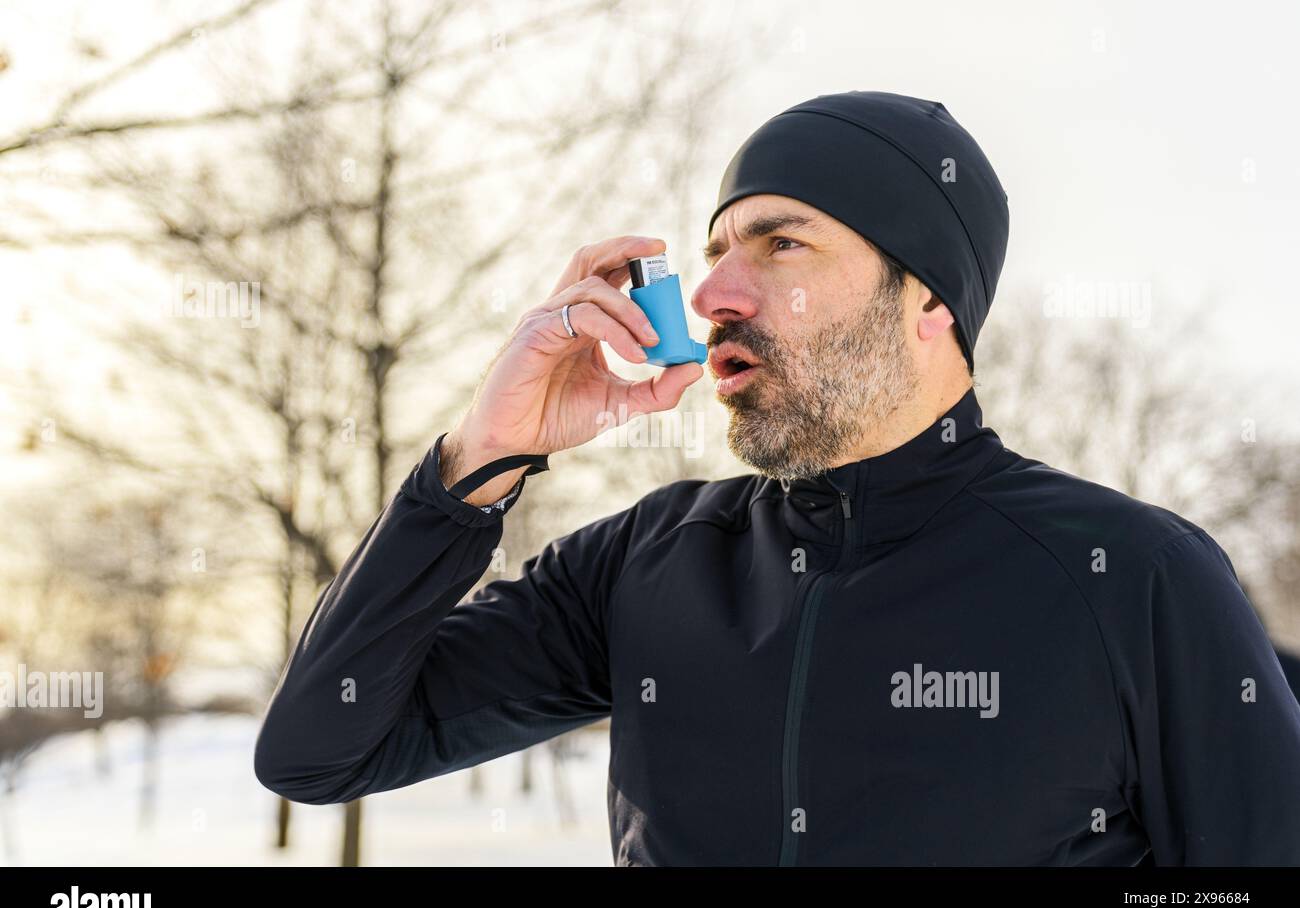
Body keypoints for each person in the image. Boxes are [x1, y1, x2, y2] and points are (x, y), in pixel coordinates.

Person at [254, 91, 1300, 865]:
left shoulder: (1128, 573)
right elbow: (319, 749)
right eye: (713, 252)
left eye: (779, 243)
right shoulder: (645, 564)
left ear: (927, 297)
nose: (712, 292)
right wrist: (478, 461)